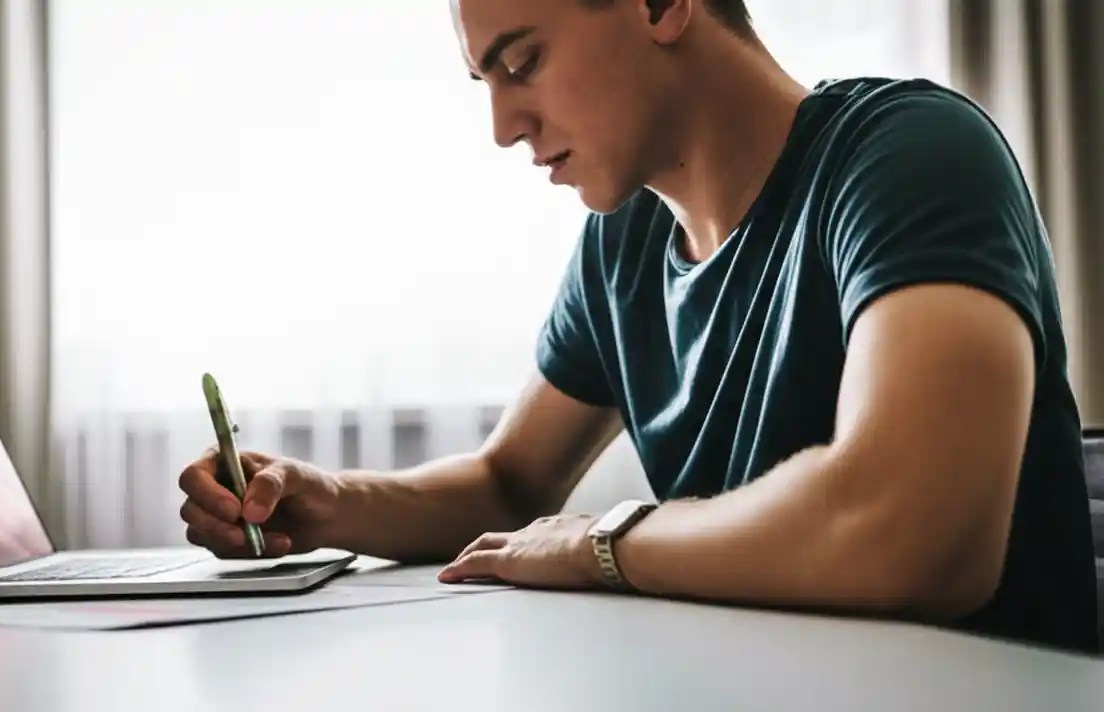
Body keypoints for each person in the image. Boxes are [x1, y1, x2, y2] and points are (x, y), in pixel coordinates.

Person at [177, 0, 1098, 654]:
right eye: (484, 80)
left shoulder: (913, 156)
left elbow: (913, 534)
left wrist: (602, 545)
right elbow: (509, 485)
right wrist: (323, 499)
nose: (503, 127)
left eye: (522, 61)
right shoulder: (620, 247)